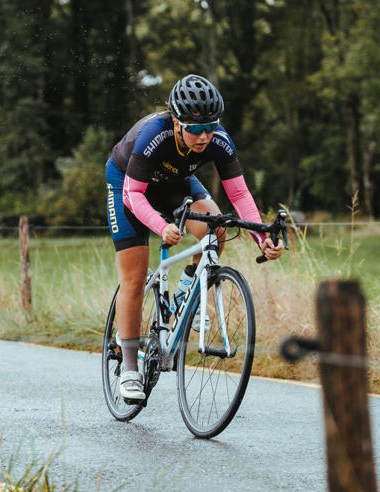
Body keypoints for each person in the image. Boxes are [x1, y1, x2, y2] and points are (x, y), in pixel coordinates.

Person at [105, 74, 283, 401]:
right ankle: (129, 367)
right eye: (195, 129)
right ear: (176, 122)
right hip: (127, 187)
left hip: (176, 183)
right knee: (133, 278)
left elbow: (240, 195)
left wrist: (262, 238)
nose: (204, 137)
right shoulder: (153, 136)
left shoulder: (219, 139)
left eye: (210, 127)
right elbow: (133, 195)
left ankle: (190, 286)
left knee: (216, 225)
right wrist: (161, 227)